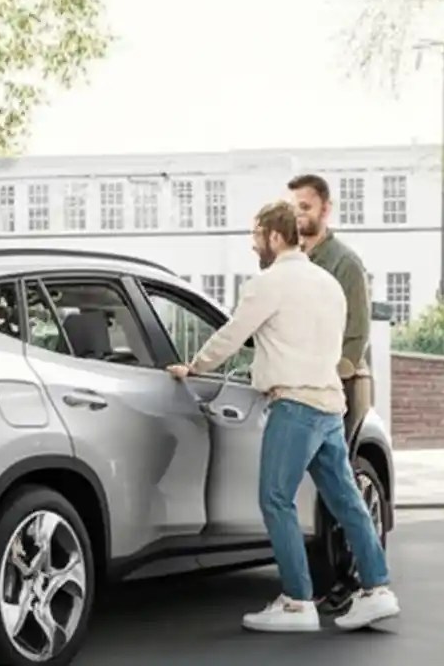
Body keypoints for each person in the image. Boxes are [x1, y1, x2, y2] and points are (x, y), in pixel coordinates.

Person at [165, 200, 399, 633]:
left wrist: (194, 367)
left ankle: (296, 601)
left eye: (256, 236)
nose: (254, 245)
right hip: (330, 405)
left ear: (274, 236)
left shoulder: (267, 283)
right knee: (346, 501)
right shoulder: (328, 284)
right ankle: (377, 588)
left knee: (276, 499)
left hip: (293, 406)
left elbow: (232, 335)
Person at [286, 173, 374, 612]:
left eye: (305, 206)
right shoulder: (292, 262)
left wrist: (328, 382)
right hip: (305, 387)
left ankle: (350, 578)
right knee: (321, 485)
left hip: (341, 386)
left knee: (337, 486)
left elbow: (356, 336)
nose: (299, 214)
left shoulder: (345, 264)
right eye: (294, 207)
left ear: (325, 209)